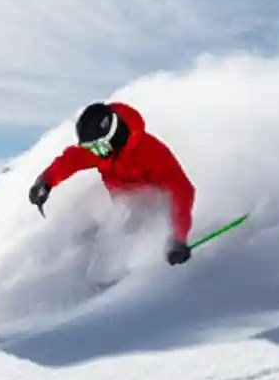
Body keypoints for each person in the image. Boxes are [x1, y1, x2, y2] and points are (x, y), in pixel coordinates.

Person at [28, 101, 195, 265]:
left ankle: (136, 265)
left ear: (114, 136)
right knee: (109, 231)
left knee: (134, 235)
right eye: (90, 148)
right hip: (126, 210)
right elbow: (69, 161)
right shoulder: (102, 152)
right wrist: (45, 182)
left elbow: (182, 190)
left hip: (157, 213)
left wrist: (178, 238)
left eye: (97, 147)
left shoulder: (150, 152)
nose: (94, 153)